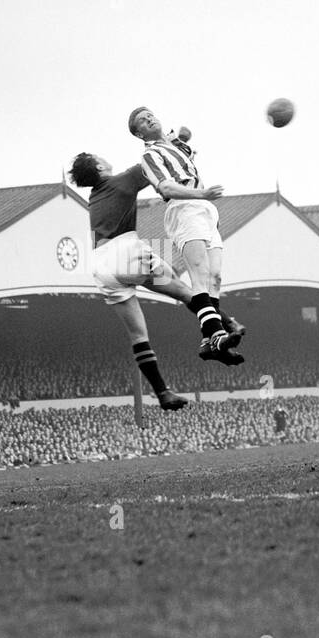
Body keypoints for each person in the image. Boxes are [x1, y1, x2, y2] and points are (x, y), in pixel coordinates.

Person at [69, 150, 210, 412]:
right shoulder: (121, 180)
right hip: (125, 249)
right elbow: (152, 166)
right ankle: (226, 325)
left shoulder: (94, 197)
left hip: (101, 263)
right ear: (99, 166)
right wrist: (179, 145)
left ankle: (163, 393)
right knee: (186, 292)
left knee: (137, 334)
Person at [128, 107, 245, 364]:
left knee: (215, 277)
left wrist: (180, 136)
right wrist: (202, 194)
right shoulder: (150, 155)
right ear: (139, 134)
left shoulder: (172, 145)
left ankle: (210, 342)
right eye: (142, 121)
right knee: (200, 275)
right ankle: (216, 335)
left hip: (205, 209)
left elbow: (186, 145)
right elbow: (167, 186)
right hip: (184, 206)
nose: (149, 119)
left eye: (150, 115)